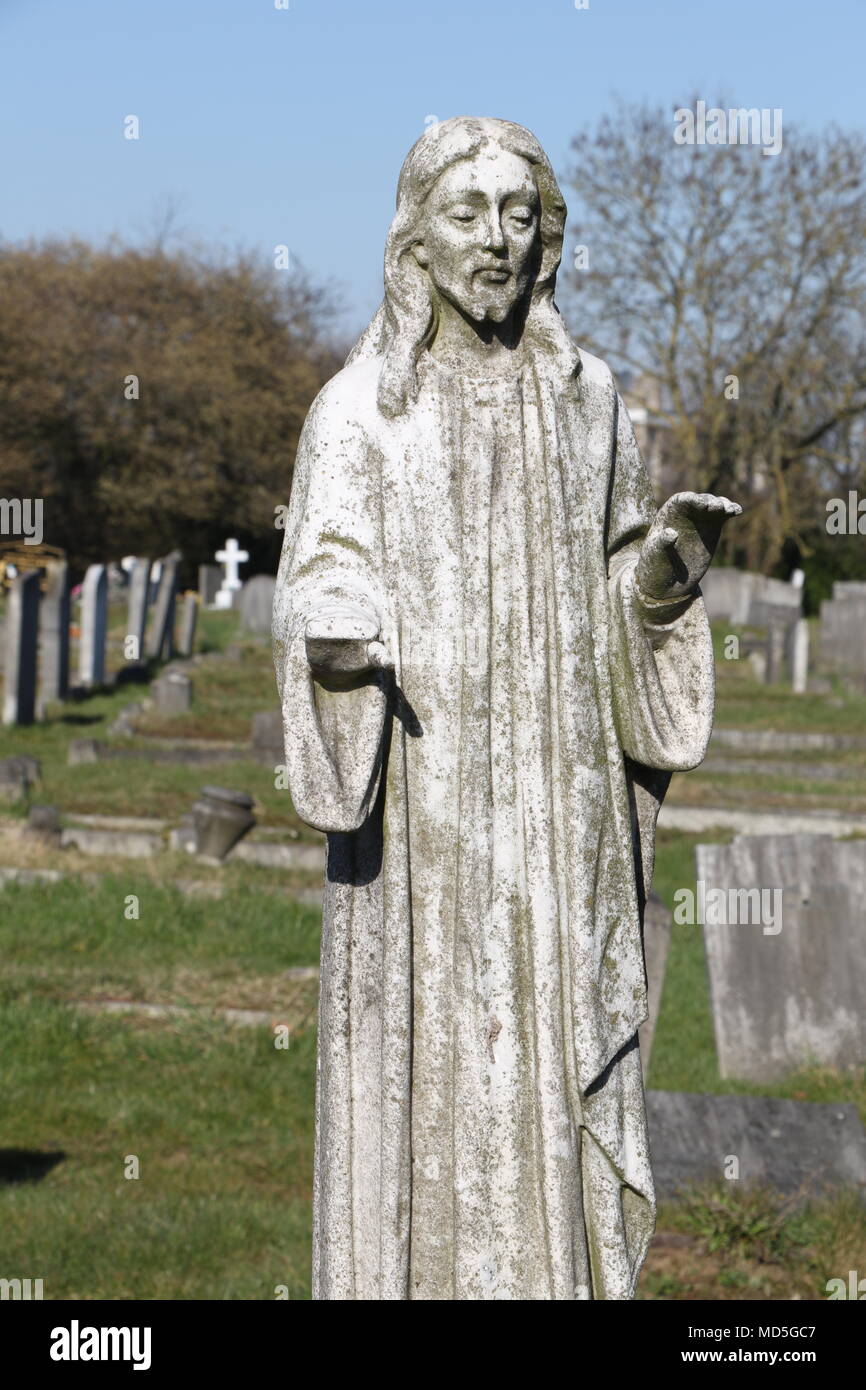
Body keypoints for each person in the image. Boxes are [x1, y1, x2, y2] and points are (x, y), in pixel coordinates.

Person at [273, 116, 740, 1300]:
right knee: (429, 1071)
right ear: (413, 238)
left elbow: (615, 573)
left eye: (517, 215)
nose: (494, 241)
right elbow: (322, 571)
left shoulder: (591, 406)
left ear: (548, 238)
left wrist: (656, 586)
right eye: (465, 213)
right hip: (419, 822)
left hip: (550, 802)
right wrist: (336, 640)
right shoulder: (354, 413)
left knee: (546, 1052)